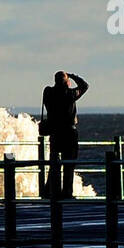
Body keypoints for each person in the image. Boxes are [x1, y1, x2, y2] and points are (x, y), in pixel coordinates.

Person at [42, 70, 89, 199]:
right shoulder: (70, 94)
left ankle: (50, 191)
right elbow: (85, 86)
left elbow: (49, 92)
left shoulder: (49, 93)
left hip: (55, 132)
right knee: (69, 164)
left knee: (54, 163)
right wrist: (73, 75)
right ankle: (66, 192)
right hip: (69, 133)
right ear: (67, 82)